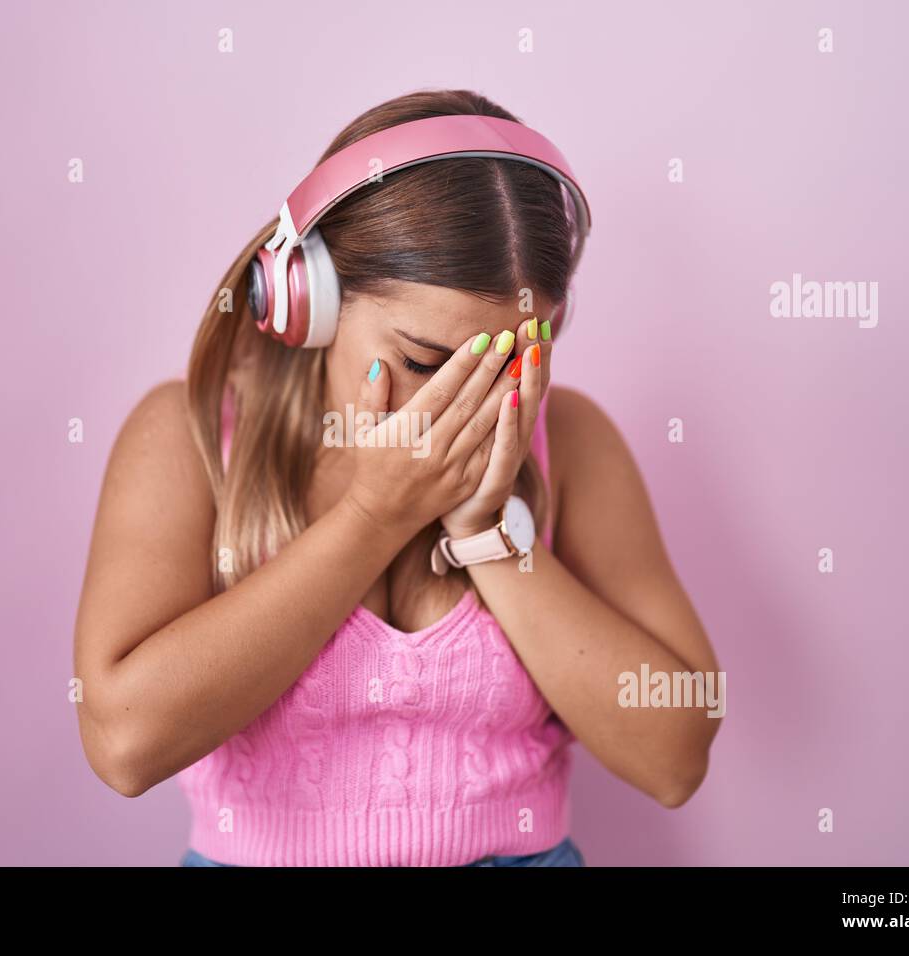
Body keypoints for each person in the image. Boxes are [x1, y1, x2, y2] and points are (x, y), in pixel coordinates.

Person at [72, 89, 721, 867]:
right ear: (309, 300)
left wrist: (487, 536)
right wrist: (372, 517)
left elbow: (676, 758)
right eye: (422, 361)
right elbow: (124, 744)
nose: (464, 409)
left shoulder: (573, 442)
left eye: (508, 367)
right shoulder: (189, 439)